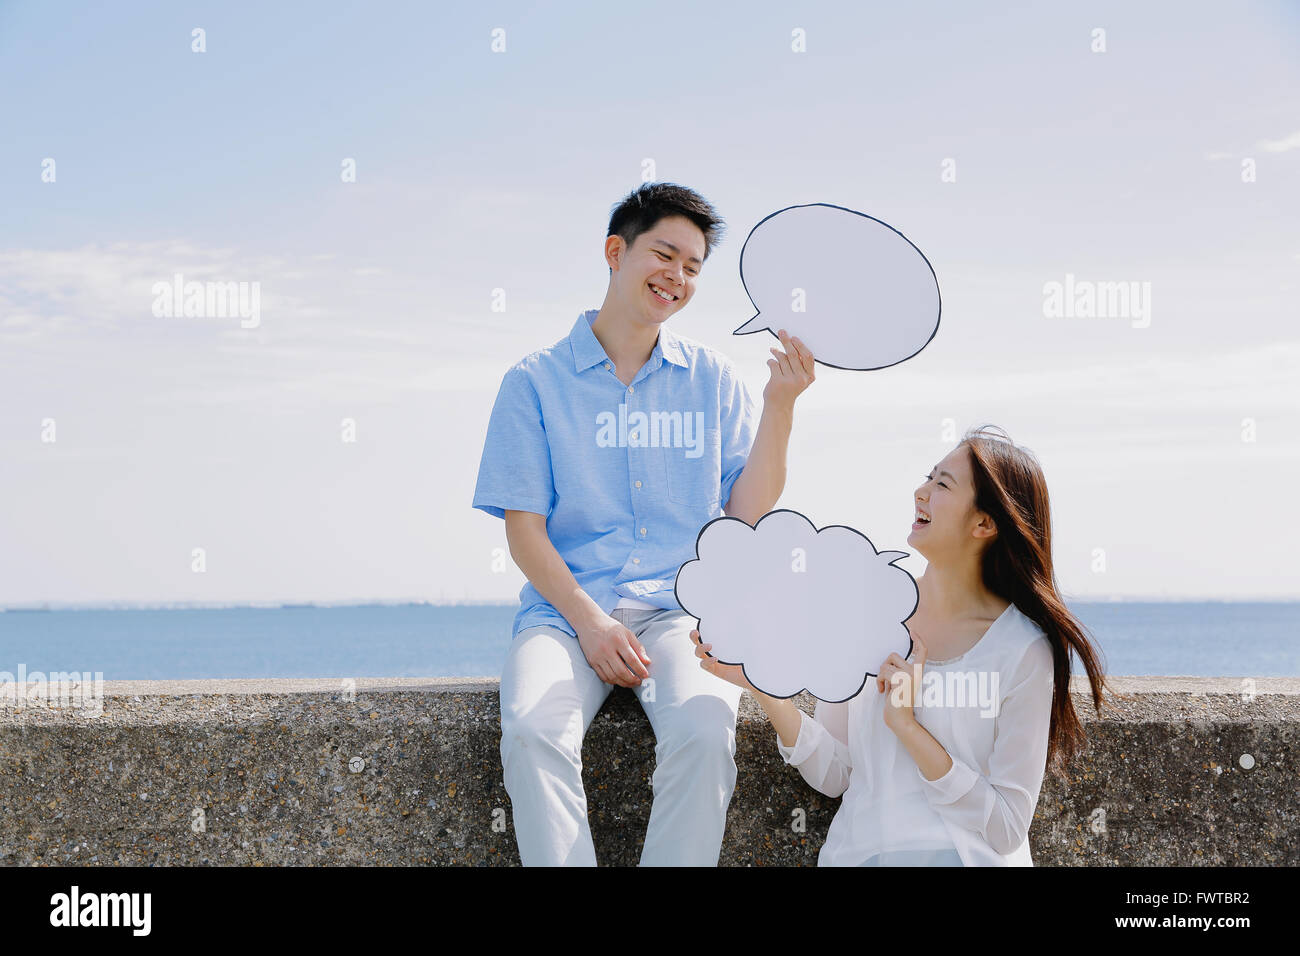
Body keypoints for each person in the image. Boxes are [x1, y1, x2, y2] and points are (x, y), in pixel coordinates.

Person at [472, 182, 816, 865]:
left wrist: (781, 405)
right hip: (565, 613)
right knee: (534, 732)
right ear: (615, 251)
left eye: (693, 267)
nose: (678, 277)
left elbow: (744, 514)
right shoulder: (534, 381)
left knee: (705, 733)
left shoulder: (712, 379)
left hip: (681, 617)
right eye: (665, 254)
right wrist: (591, 622)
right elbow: (524, 530)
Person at [693, 425, 1110, 865]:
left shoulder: (1023, 649)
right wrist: (759, 683)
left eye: (942, 484)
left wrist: (908, 728)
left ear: (985, 523)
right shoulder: (863, 610)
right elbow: (836, 772)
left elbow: (1006, 827)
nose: (921, 492)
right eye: (928, 477)